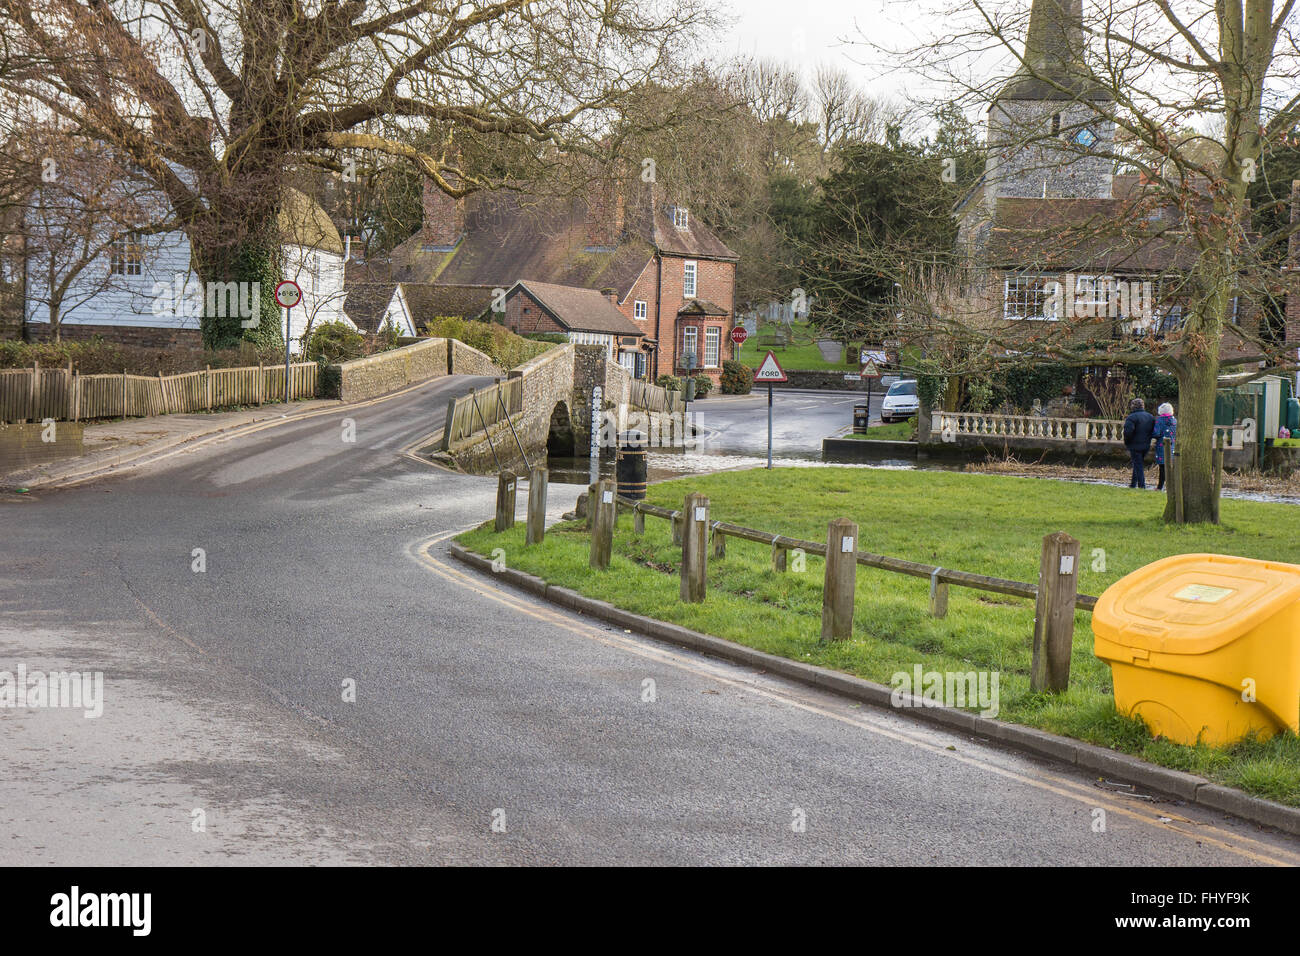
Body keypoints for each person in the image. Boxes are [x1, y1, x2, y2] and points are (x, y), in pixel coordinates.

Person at [1123, 397, 1156, 489]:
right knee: (1138, 464)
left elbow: (1128, 432)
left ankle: (1142, 486)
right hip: (1146, 444)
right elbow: (1153, 431)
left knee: (1138, 465)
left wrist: (1127, 442)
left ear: (1133, 406)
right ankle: (1133, 484)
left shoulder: (1131, 417)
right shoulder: (1150, 417)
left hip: (1134, 444)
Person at [1152, 402, 1177, 491]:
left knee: (1162, 468)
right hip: (1172, 446)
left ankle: (1160, 487)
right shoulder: (1174, 420)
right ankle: (1171, 486)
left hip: (1161, 445)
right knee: (1171, 467)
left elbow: (1156, 433)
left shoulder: (1159, 420)